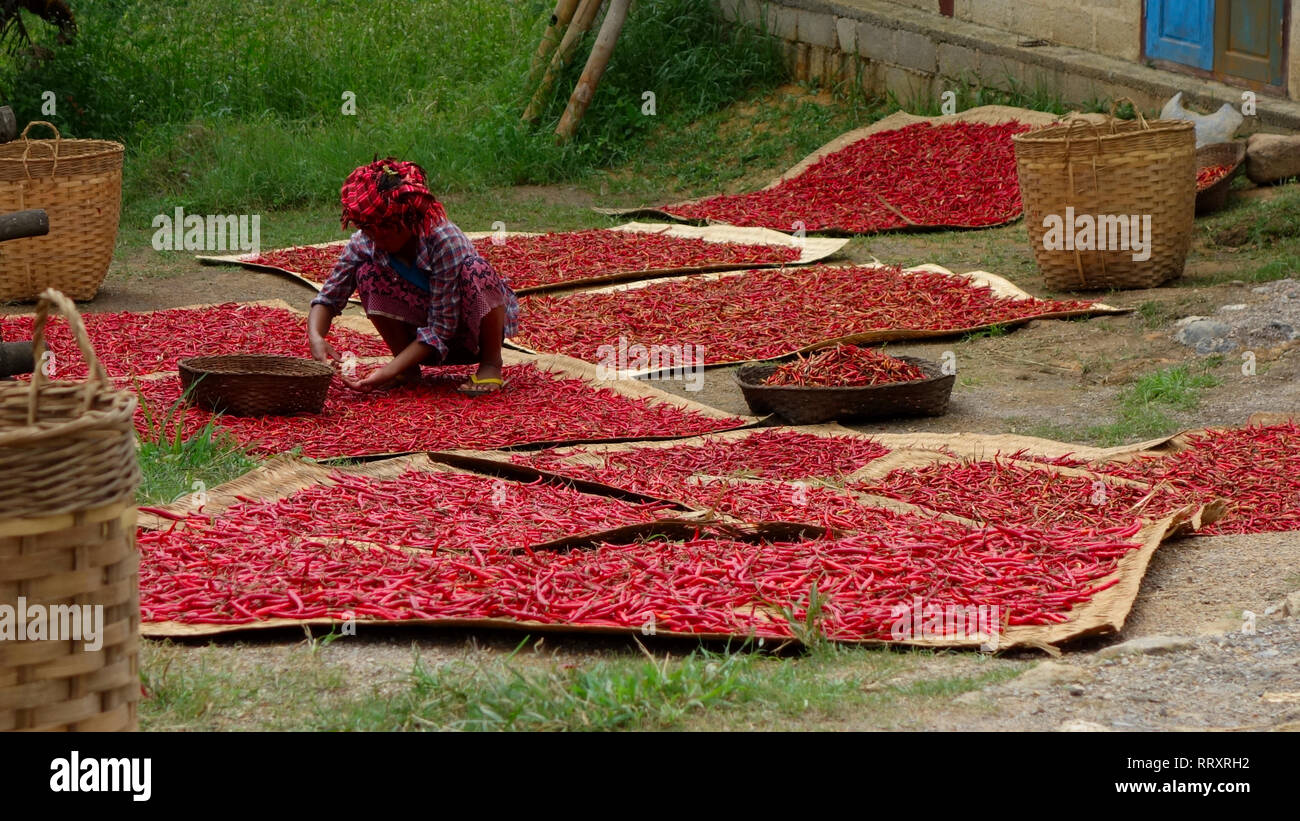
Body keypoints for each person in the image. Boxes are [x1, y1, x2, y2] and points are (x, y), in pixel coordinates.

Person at [307, 158, 519, 395]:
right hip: (419, 341)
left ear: (408, 221)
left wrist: (386, 371)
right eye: (368, 231)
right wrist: (316, 336)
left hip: (468, 338)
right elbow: (329, 297)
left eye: (384, 232)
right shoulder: (366, 241)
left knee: (477, 270)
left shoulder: (444, 240)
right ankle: (407, 369)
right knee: (366, 274)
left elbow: (442, 327)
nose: (375, 239)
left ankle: (491, 364)